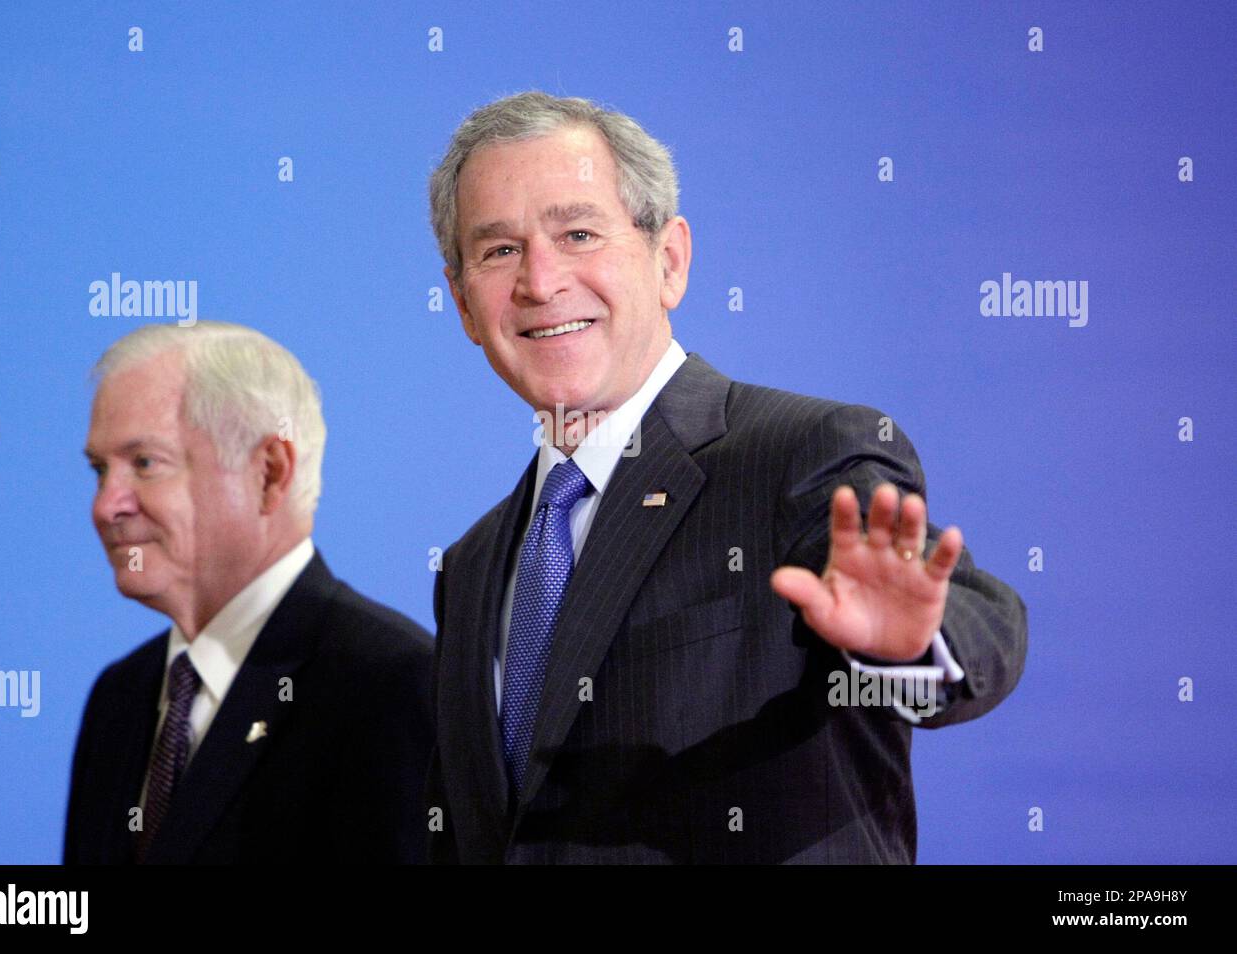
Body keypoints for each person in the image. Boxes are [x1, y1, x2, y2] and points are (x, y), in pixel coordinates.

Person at [424, 91, 1027, 863]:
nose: (540, 281)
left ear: (668, 260)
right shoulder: (473, 567)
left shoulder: (801, 455)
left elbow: (981, 627)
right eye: (499, 250)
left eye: (578, 233)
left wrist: (907, 651)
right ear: (464, 304)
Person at [65, 322, 433, 864]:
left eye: (145, 463)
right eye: (100, 470)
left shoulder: (388, 684)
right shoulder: (121, 697)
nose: (105, 506)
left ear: (268, 473)